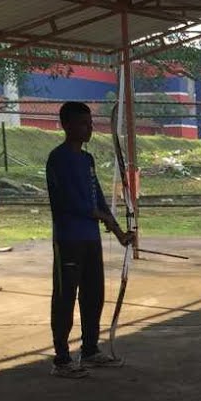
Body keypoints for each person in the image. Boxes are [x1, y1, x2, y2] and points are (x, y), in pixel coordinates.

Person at [44, 101, 134, 378]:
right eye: (84, 124)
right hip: (69, 238)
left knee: (93, 294)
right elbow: (71, 202)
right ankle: (61, 359)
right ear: (66, 125)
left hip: (90, 239)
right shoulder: (58, 159)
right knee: (65, 296)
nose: (89, 128)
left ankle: (91, 349)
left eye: (91, 123)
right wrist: (103, 218)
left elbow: (96, 198)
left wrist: (118, 231)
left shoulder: (87, 160)